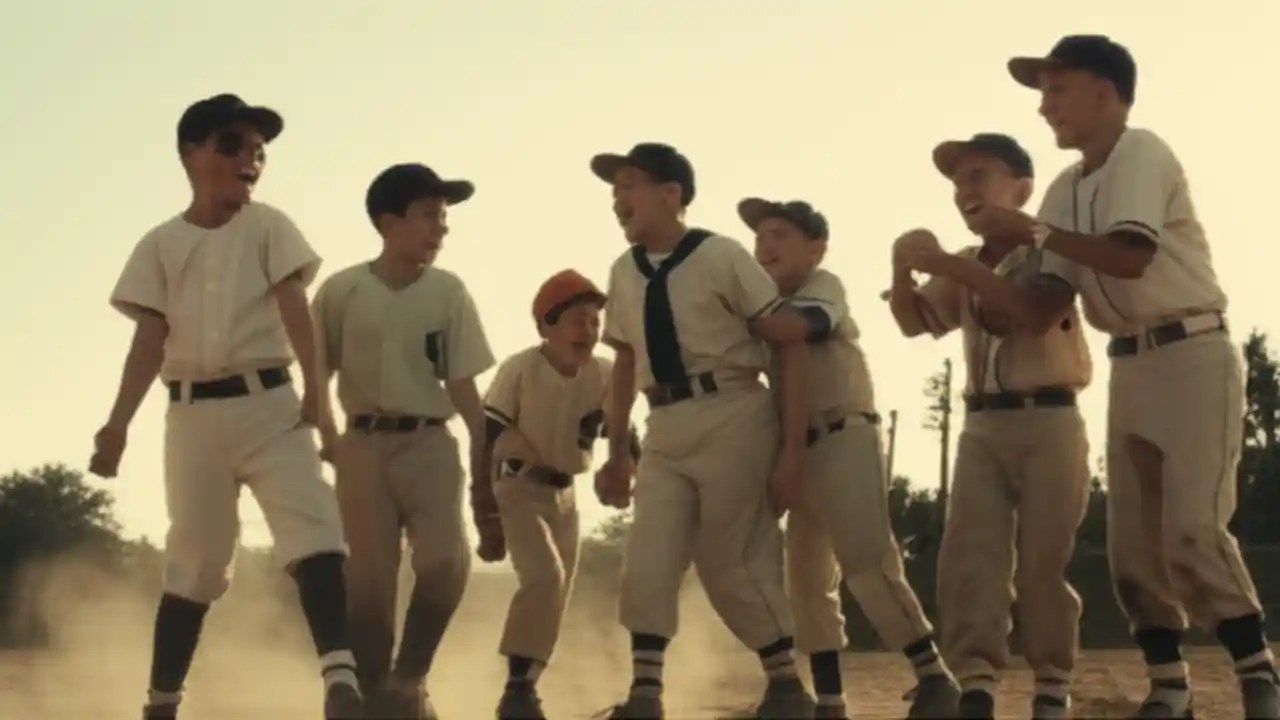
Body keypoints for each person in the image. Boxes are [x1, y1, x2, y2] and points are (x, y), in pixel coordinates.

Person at [952, 34, 1279, 719]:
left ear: (1105, 91)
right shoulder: (1069, 187)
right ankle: (1169, 690)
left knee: (1191, 531)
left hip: (1192, 350)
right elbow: (1040, 308)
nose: (1045, 108)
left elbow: (1129, 257)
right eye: (1042, 93)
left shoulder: (1141, 151)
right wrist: (972, 268)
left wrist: (1035, 233)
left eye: (1055, 89)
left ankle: (1259, 677)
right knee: (1133, 553)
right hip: (1128, 362)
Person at [89, 93, 363, 720]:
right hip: (190, 417)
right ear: (191, 153)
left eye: (260, 151)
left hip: (272, 404)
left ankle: (340, 681)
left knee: (313, 522)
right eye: (233, 145)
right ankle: (162, 702)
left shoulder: (268, 226)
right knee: (197, 556)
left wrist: (318, 397)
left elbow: (295, 304)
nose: (251, 159)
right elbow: (149, 337)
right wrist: (116, 425)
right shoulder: (160, 243)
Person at [590, 142, 816, 719]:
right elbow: (621, 363)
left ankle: (787, 684)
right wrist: (618, 451)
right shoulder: (623, 271)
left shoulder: (721, 255)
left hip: (733, 409)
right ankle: (645, 694)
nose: (619, 199)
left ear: (671, 194)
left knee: (730, 558)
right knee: (647, 556)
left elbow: (784, 343)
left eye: (630, 185)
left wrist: (792, 450)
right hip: (662, 420)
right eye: (614, 189)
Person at [888, 133, 1093, 719]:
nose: (964, 191)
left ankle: (1052, 683)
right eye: (957, 182)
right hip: (982, 423)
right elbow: (916, 322)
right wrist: (901, 266)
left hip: (1050, 417)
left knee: (1042, 562)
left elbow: (1026, 314)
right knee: (970, 557)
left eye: (979, 176)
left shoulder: (1050, 248)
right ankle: (974, 683)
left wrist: (951, 265)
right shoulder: (966, 262)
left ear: (1022, 187)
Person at [741, 197, 962, 720]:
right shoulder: (764, 306)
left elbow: (803, 327)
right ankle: (832, 701)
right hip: (797, 445)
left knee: (867, 561)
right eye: (760, 237)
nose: (765, 246)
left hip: (844, 432)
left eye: (780, 236)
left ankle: (935, 678)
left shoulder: (823, 287)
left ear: (815, 248)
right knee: (808, 584)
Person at [310, 163, 495, 718]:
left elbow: (463, 383)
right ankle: (375, 697)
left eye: (444, 218)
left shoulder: (448, 291)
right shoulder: (342, 291)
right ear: (389, 222)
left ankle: (411, 676)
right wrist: (329, 438)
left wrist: (487, 452)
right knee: (367, 587)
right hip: (361, 446)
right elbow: (316, 373)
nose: (441, 229)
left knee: (444, 562)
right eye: (430, 216)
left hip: (431, 444)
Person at [479, 269, 641, 720]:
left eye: (594, 321)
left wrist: (631, 473)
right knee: (544, 577)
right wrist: (482, 509)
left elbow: (624, 432)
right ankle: (516, 691)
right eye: (575, 320)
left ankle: (524, 691)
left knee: (558, 591)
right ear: (546, 326)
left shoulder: (606, 374)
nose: (587, 331)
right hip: (514, 485)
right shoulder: (521, 368)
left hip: (565, 494)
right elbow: (485, 434)